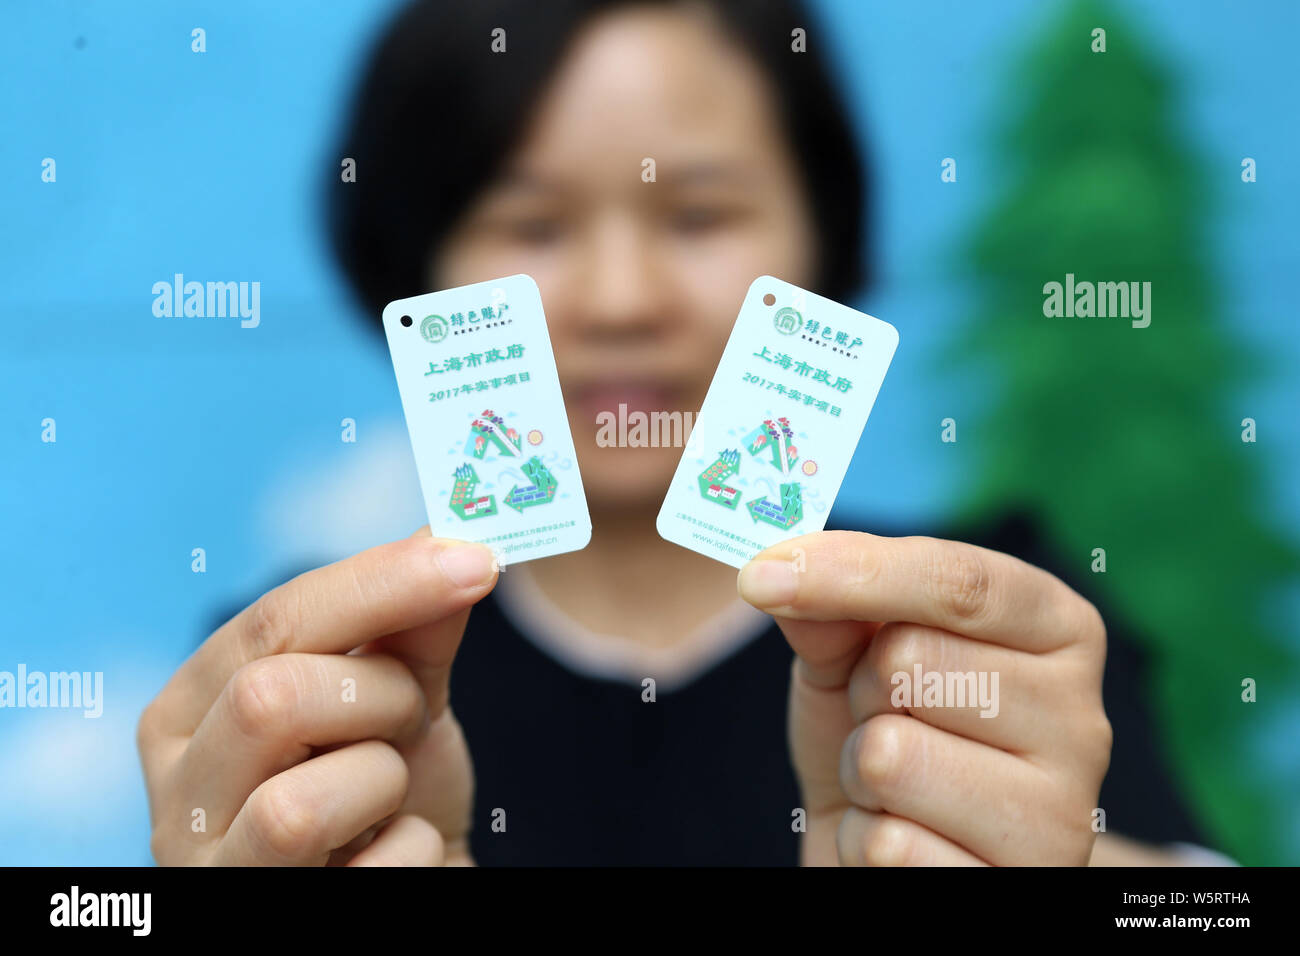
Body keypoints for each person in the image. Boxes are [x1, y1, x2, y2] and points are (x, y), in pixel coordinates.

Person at [137, 0, 1219, 866]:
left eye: (699, 214)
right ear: (418, 273)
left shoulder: (994, 624)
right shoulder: (317, 679)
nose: (620, 299)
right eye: (532, 223)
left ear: (822, 244)